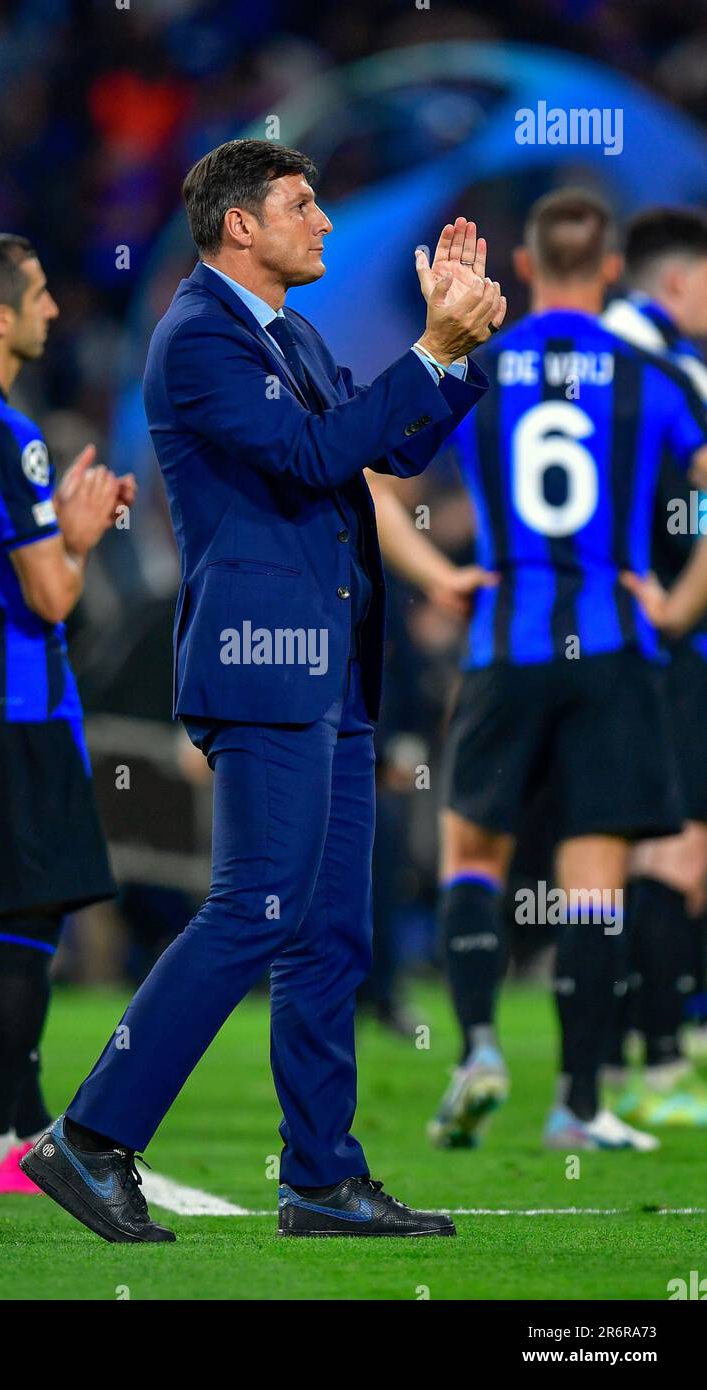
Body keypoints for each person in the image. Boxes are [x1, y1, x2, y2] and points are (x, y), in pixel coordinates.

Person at [22, 138, 504, 1243]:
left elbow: (387, 442)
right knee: (259, 905)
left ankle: (321, 1178)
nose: (324, 222)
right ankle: (91, 1136)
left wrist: (461, 348)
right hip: (262, 655)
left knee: (329, 930)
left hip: (328, 664)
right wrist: (423, 349)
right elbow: (308, 453)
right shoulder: (197, 337)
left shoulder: (285, 332)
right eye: (302, 203)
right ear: (239, 225)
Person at [372, 189, 707, 1152]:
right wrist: (680, 607)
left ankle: (476, 1045)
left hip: (503, 643)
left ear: (525, 267)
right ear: (610, 271)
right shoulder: (650, 373)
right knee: (594, 878)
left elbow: (375, 478)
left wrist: (442, 576)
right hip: (616, 651)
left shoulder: (484, 363)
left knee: (474, 855)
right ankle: (577, 1104)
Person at [0, 233, 134, 1195]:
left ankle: (24, 1127)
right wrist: (80, 540)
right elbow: (49, 593)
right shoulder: (6, 426)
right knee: (25, 923)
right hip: (19, 693)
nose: (54, 309)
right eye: (40, 294)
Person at [601, 207, 707, 1123]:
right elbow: (690, 508)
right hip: (667, 639)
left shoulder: (596, 357)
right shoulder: (662, 373)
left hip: (583, 634)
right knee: (676, 849)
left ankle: (632, 1048)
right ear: (675, 280)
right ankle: (660, 1059)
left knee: (629, 845)